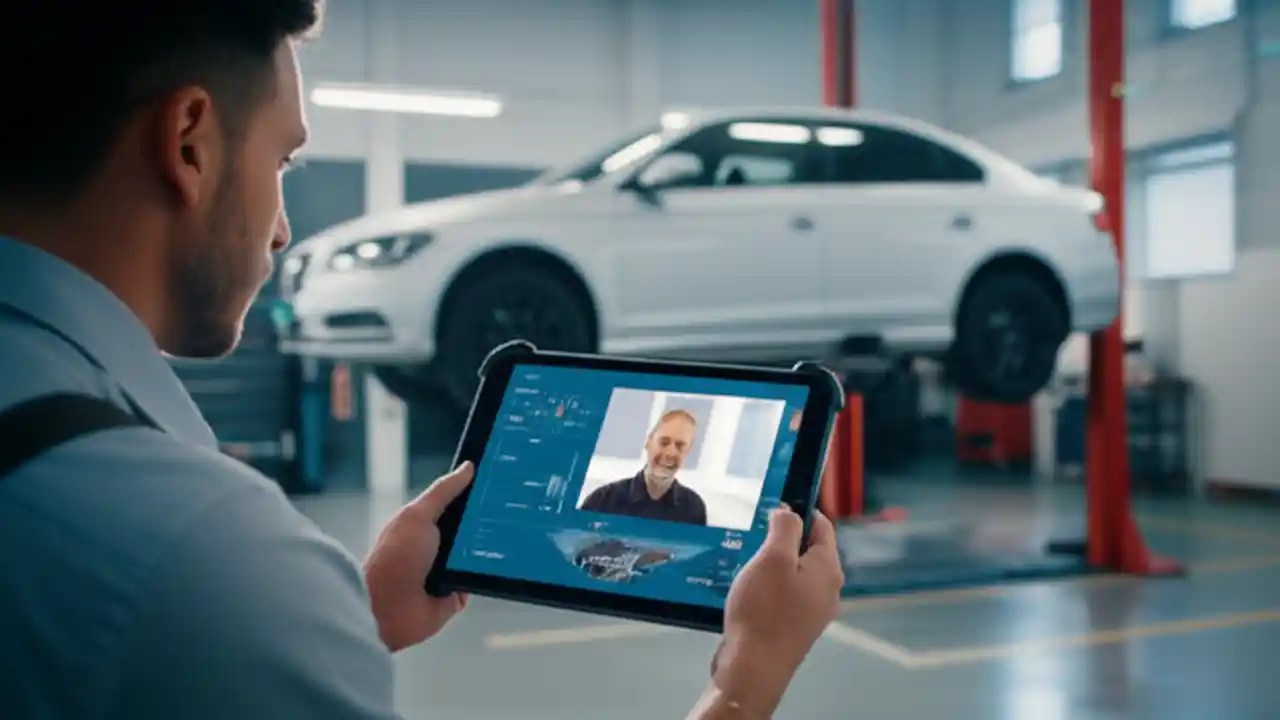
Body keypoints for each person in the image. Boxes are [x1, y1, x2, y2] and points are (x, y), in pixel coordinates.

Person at [0, 2, 845, 718]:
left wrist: (347, 620)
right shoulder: (199, 554)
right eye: (282, 161)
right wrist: (747, 681)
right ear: (190, 143)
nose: (284, 228)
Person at [580, 409, 709, 526]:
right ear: (648, 443)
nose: (670, 453)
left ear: (688, 452)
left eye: (680, 446)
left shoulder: (694, 509)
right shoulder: (603, 500)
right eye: (664, 442)